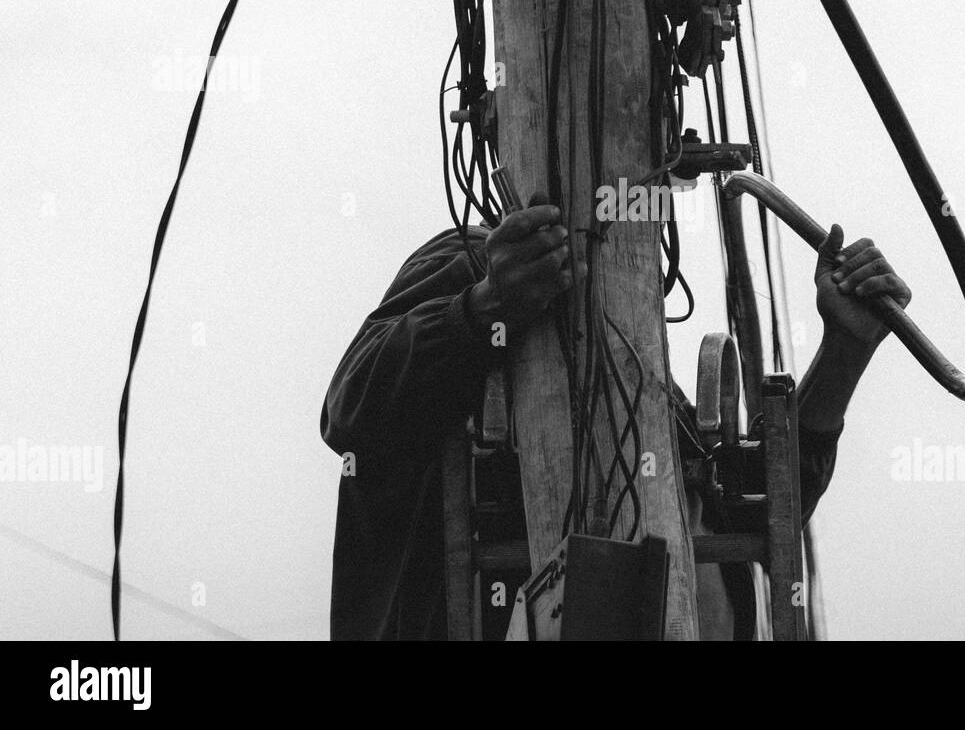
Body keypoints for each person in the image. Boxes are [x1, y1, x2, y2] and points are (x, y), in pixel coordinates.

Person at [321, 194, 910, 640]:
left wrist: (845, 353)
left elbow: (746, 521)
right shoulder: (470, 261)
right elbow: (350, 406)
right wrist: (482, 309)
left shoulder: (642, 377)